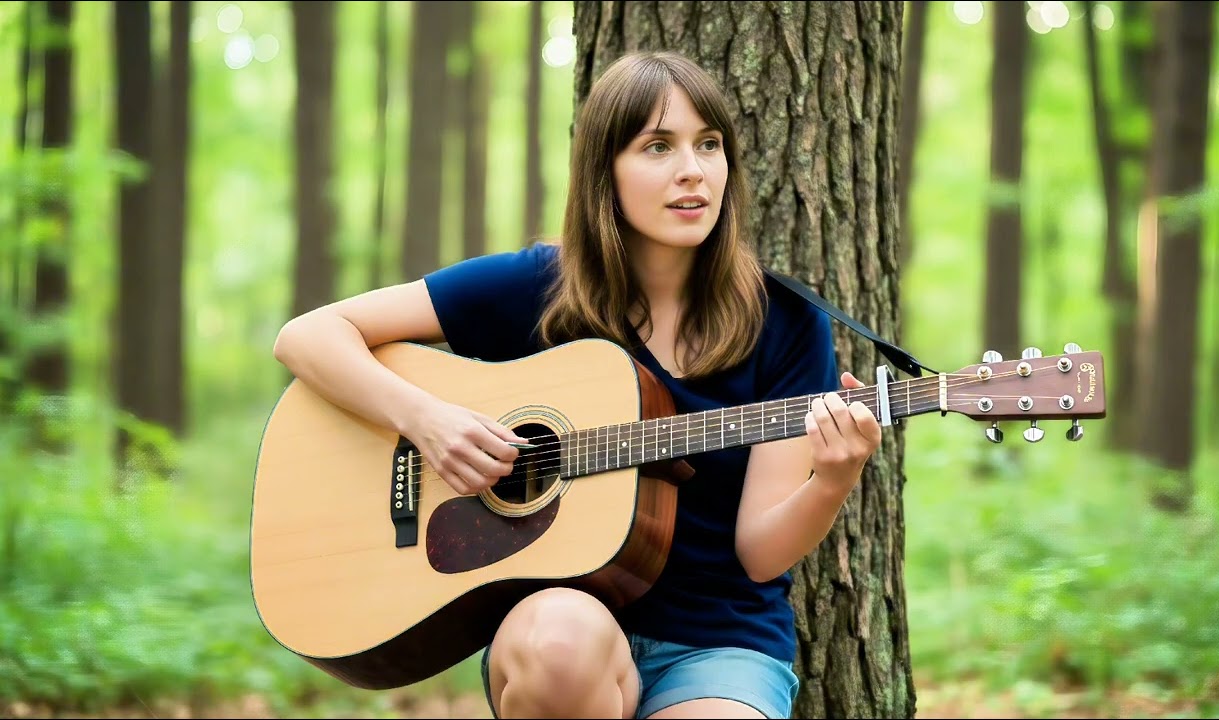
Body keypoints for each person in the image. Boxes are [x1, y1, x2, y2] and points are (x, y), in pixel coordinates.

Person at [272, 50, 883, 720]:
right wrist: (428, 420)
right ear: (605, 173)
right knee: (563, 646)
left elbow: (759, 555)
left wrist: (832, 481)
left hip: (717, 643)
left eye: (709, 145)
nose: (693, 170)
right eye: (658, 146)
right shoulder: (534, 286)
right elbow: (308, 336)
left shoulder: (785, 321)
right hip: (559, 626)